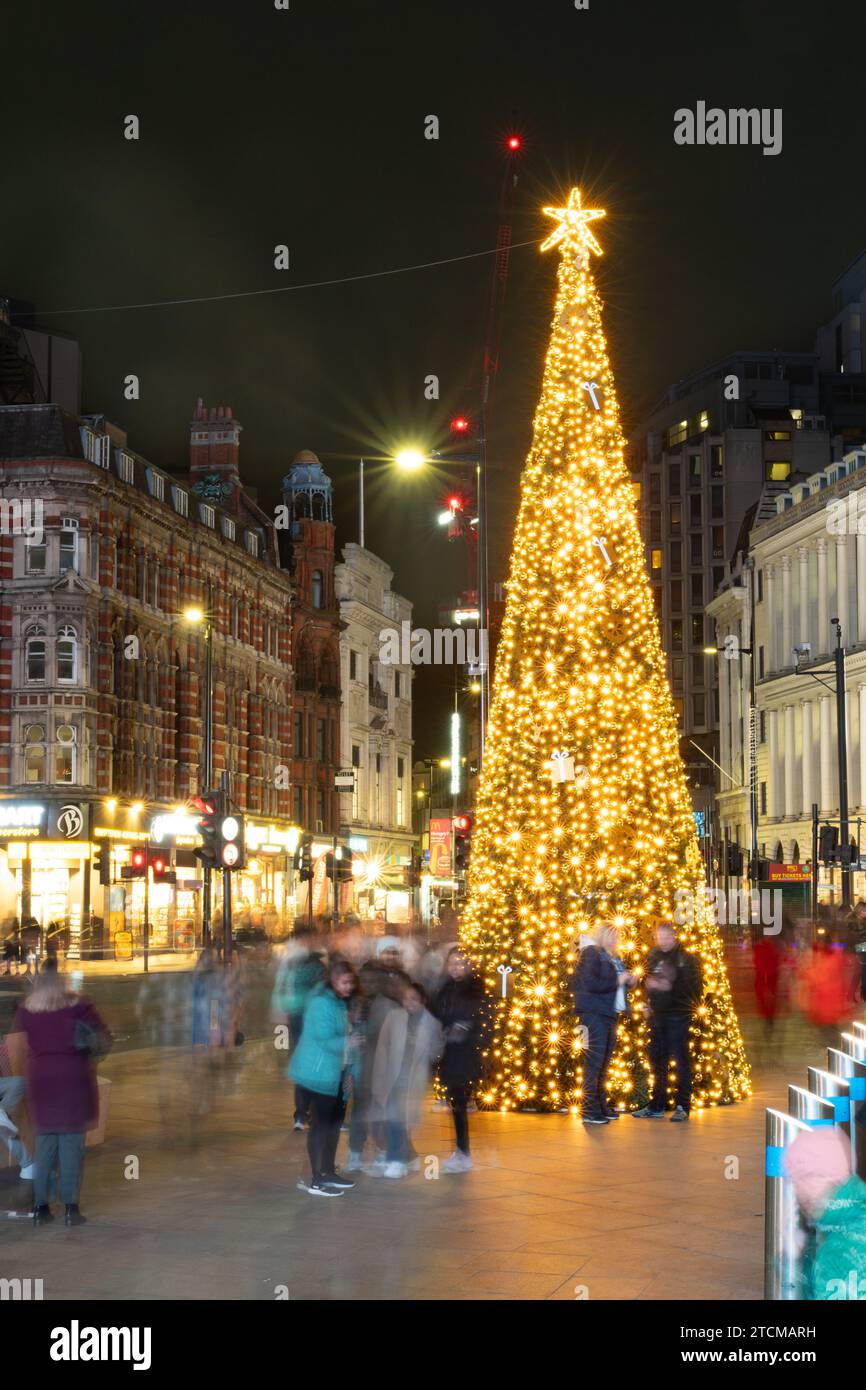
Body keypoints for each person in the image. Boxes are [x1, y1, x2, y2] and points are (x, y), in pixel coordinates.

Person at [12, 962, 112, 1226]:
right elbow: (103, 1036)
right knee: (71, 1146)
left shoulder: (27, 1009)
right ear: (62, 981)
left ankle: (41, 1208)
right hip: (72, 1078)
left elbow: (21, 1044)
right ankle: (71, 1208)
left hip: (42, 1079)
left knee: (44, 1145)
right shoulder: (78, 1005)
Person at [290, 958, 357, 1197]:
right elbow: (323, 1038)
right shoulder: (321, 1003)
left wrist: (350, 1070)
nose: (348, 986)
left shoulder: (339, 1002)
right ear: (333, 980)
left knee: (333, 1125)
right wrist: (349, 1041)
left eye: (350, 982)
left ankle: (328, 1170)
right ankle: (317, 1178)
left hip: (335, 1073)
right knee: (320, 1126)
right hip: (318, 1073)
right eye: (343, 981)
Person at [785, 1125, 866, 1299]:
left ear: (837, 1176)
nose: (800, 1190)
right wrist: (803, 1258)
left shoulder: (840, 1251)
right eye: (795, 1179)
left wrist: (791, 1266)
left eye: (810, 1176)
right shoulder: (846, 1222)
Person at [371, 981, 442, 1179]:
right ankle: (407, 1157)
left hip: (412, 1082)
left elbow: (436, 1053)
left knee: (397, 1118)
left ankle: (396, 1160)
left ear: (423, 1000)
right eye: (406, 998)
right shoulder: (394, 1017)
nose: (409, 1003)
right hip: (391, 1076)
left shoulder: (431, 1024)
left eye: (414, 999)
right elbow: (383, 1048)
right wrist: (379, 1077)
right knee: (393, 1118)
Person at [633, 921, 702, 1122]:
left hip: (677, 1015)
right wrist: (645, 1001)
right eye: (658, 937)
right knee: (657, 1061)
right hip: (656, 1016)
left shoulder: (686, 959)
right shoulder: (652, 956)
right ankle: (657, 1105)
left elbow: (695, 990)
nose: (662, 941)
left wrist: (669, 985)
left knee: (680, 1061)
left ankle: (683, 1105)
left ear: (674, 937)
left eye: (666, 937)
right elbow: (645, 982)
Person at [570, 923, 636, 1125]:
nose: (616, 940)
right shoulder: (591, 953)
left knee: (603, 1064)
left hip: (609, 1013)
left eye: (617, 936)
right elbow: (591, 983)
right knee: (594, 1063)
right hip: (593, 1014)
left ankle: (600, 1105)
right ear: (602, 936)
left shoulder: (613, 957)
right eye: (612, 936)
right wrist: (619, 980)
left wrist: (631, 981)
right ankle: (589, 1110)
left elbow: (616, 985)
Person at [431, 947, 485, 1169]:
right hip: (449, 1052)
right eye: (452, 963)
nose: (456, 967)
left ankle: (463, 1151)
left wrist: (464, 1028)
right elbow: (438, 1013)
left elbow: (479, 1018)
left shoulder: (473, 989)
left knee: (459, 1102)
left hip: (465, 1053)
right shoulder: (446, 989)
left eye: (461, 963)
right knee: (456, 1102)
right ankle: (461, 1150)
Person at [271, 928, 325, 1129]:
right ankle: (305, 1112)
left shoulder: (290, 961)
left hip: (296, 1016)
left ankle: (302, 1114)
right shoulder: (312, 963)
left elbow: (281, 988)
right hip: (308, 1018)